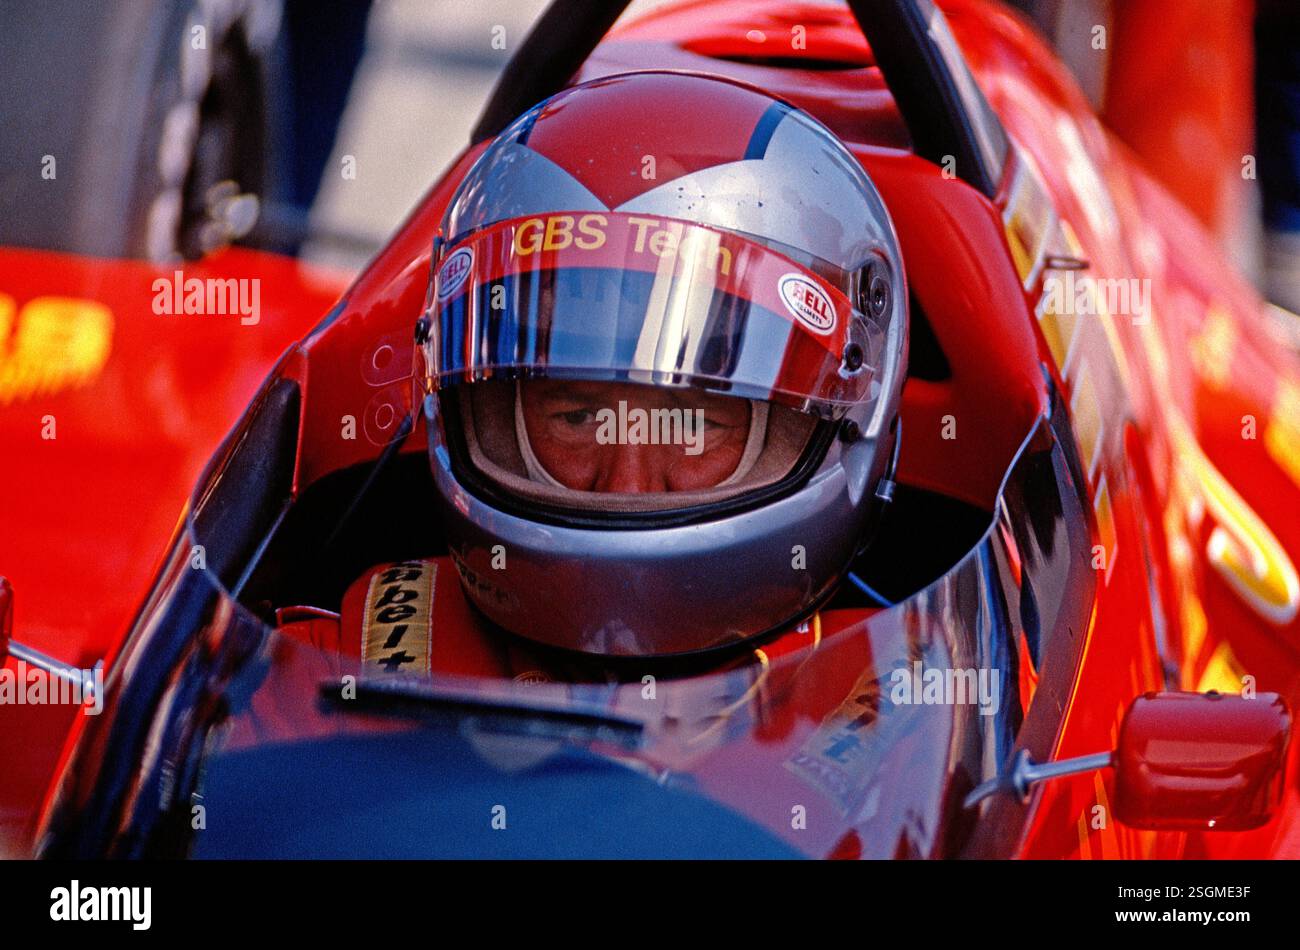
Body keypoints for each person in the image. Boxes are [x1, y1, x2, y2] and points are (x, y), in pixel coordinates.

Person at [414, 70, 909, 659]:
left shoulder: (913, 702)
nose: (626, 485)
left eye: (692, 425)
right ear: (482, 415)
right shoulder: (352, 656)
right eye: (575, 418)